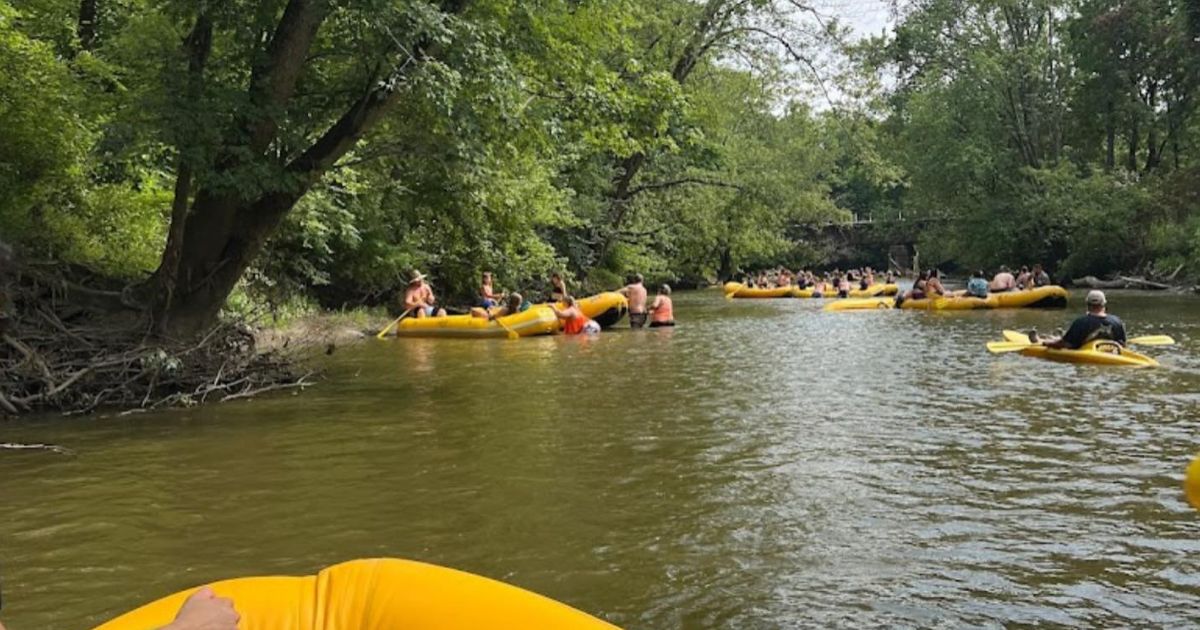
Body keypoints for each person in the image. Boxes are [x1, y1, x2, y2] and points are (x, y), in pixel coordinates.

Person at [1036, 290, 1126, 349]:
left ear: (1087, 305)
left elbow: (1065, 344)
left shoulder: (1081, 322)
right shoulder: (1117, 321)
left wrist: (1046, 344)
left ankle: (1040, 340)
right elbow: (1123, 345)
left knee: (1059, 341)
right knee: (1062, 338)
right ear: (1104, 304)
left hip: (1087, 352)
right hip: (1109, 353)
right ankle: (1057, 336)